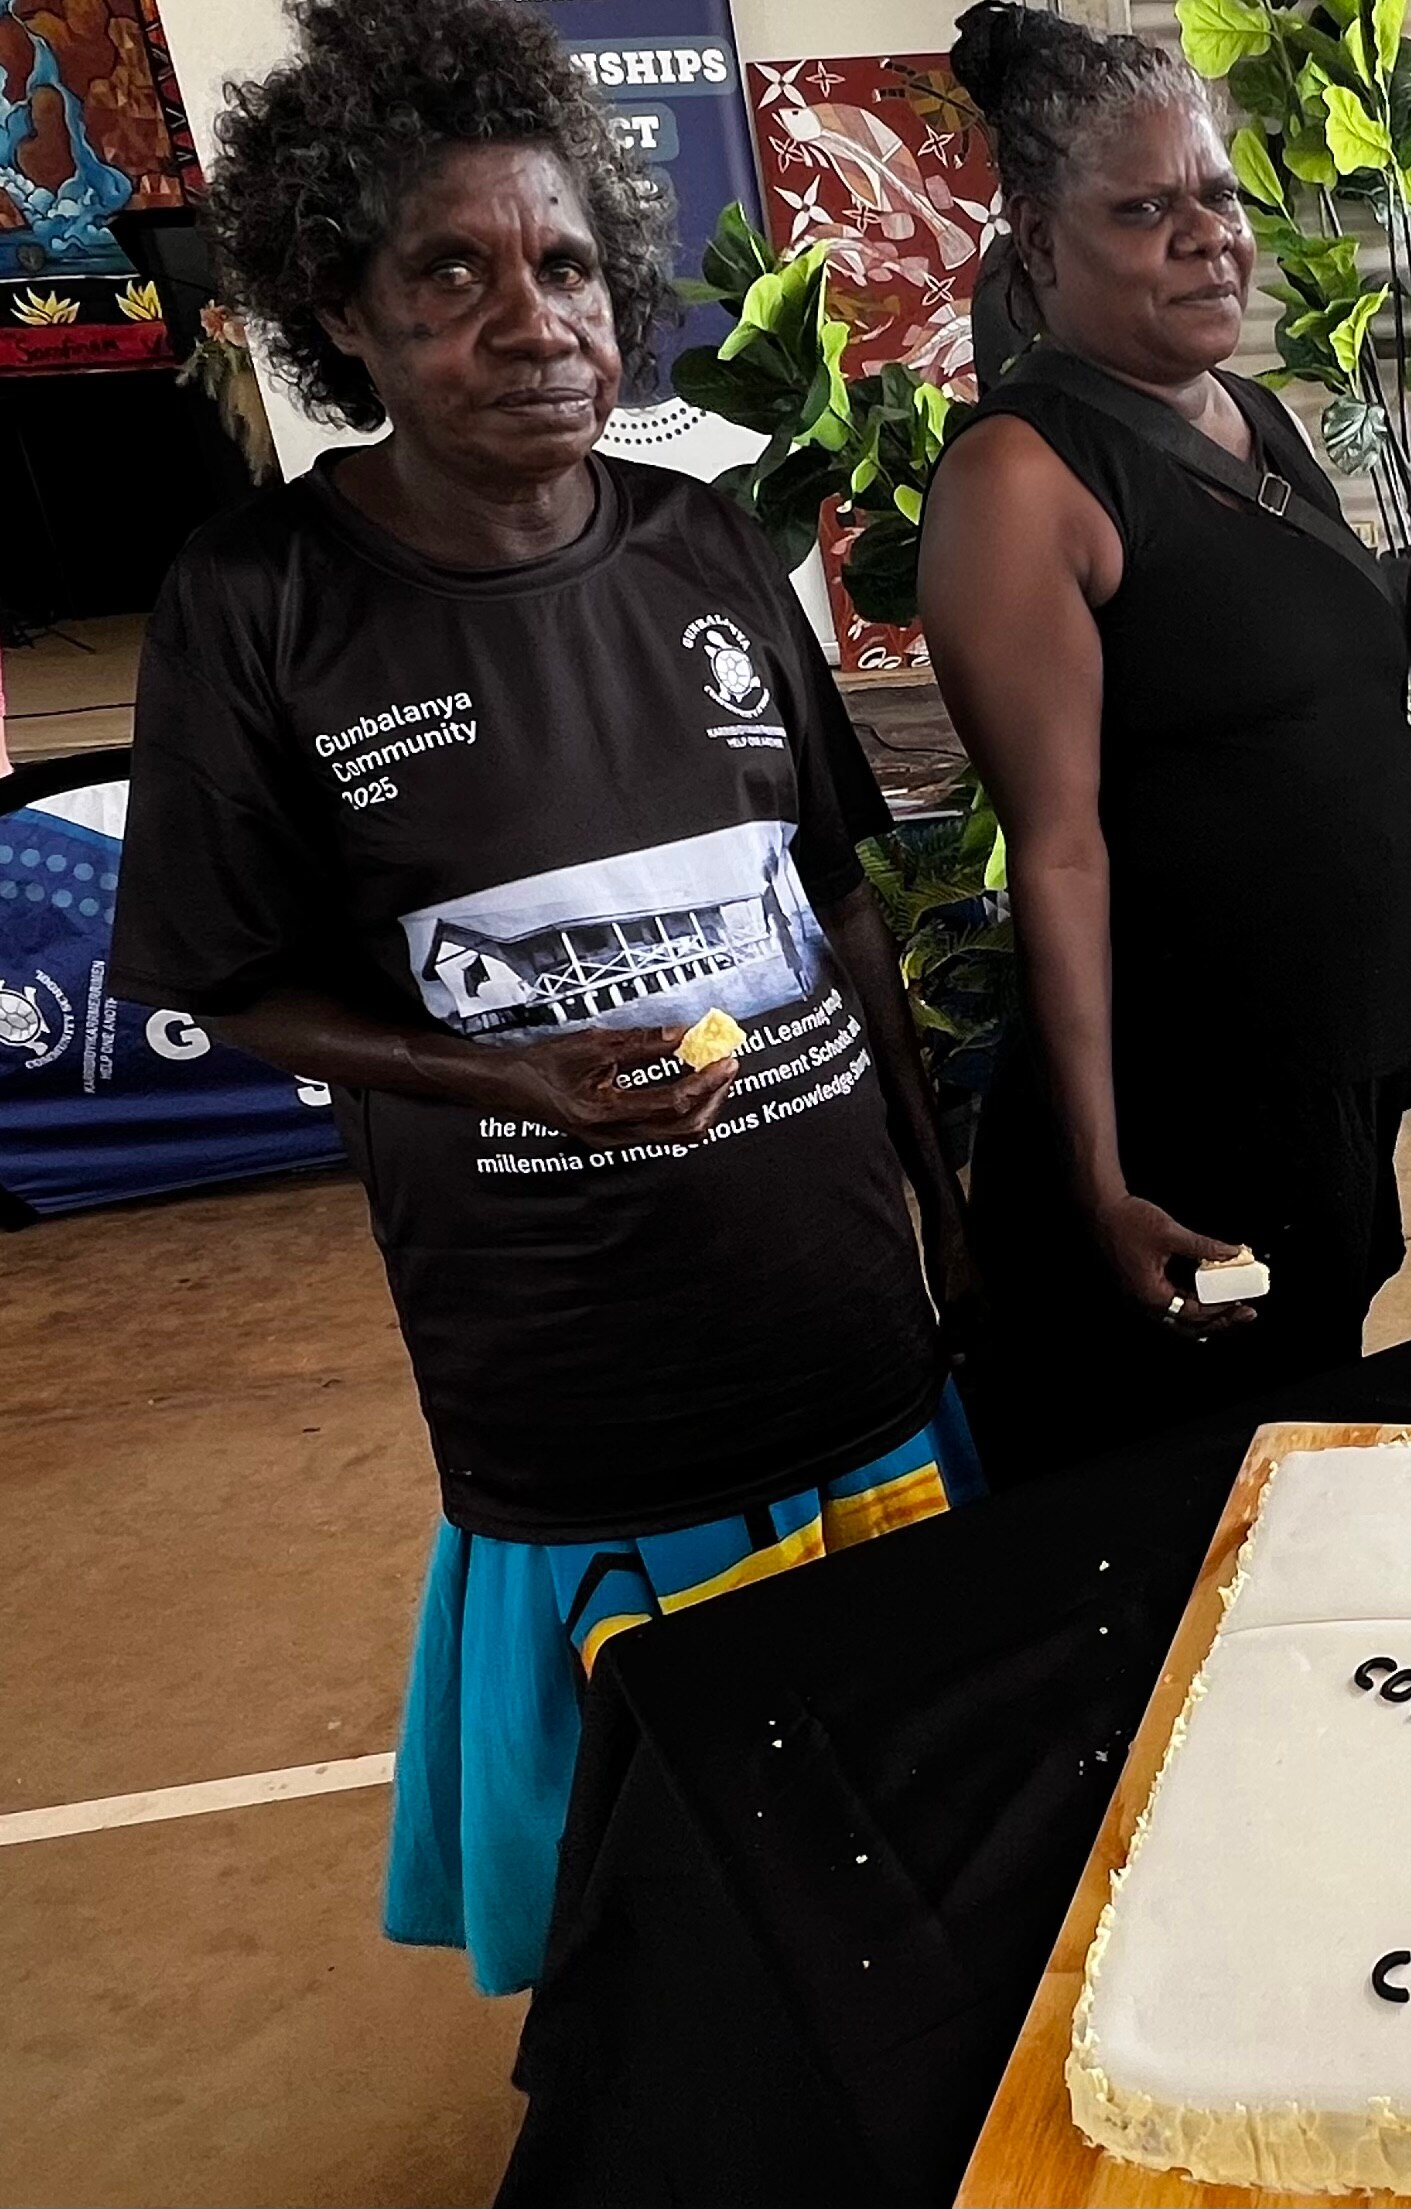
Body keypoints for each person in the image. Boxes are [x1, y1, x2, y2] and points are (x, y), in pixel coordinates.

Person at [105, 0, 979, 1997]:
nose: (534, 318)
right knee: (658, 1896)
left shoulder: (701, 545)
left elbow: (834, 904)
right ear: (345, 305)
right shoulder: (262, 601)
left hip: (851, 1335)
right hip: (581, 1385)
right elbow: (228, 972)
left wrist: (947, 1220)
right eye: (454, 274)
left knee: (895, 1816)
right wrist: (487, 1067)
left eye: (566, 263)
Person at [918, 3, 1411, 1477]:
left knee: (1292, 1478)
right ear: (1038, 241)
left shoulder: (1253, 418)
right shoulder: (1025, 480)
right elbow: (1063, 848)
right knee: (1165, 1518)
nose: (1206, 235)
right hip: (1174, 1130)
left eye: (1214, 194)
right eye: (1143, 210)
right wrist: (1099, 1181)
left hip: (1311, 1109)